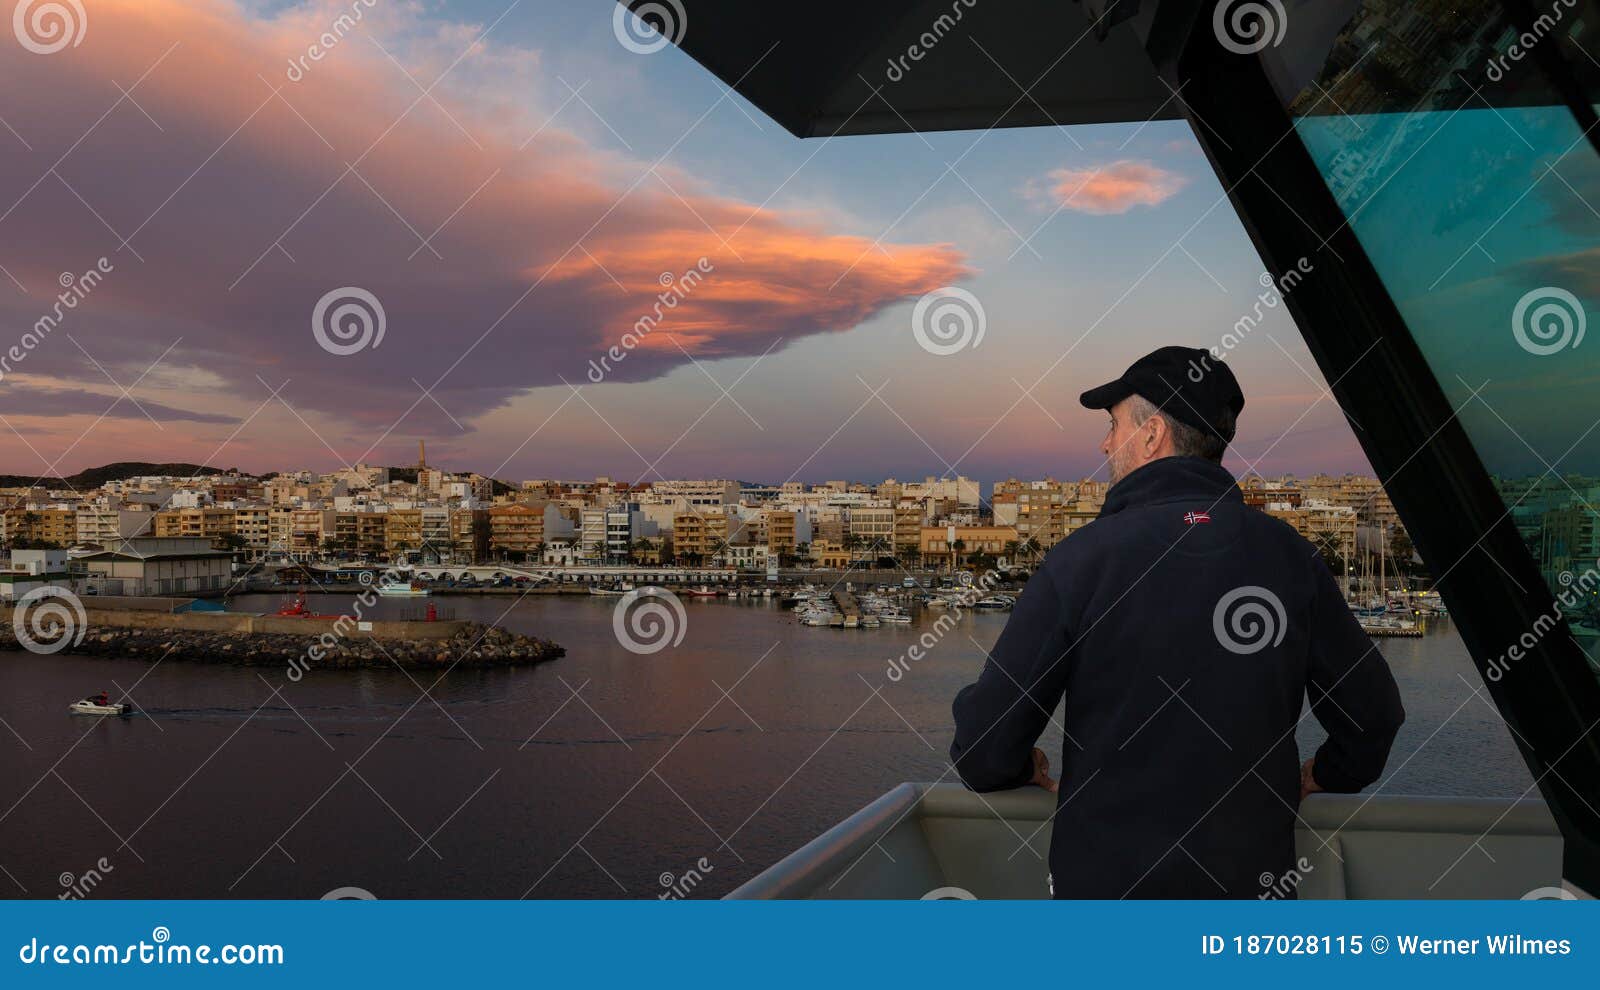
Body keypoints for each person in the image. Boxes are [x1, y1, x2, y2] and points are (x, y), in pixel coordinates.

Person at [950, 346, 1405, 898]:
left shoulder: (1083, 559)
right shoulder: (1289, 557)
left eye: (1114, 426)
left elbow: (982, 750)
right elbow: (1373, 714)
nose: (1105, 444)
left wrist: (1022, 763)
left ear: (1152, 434)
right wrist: (1326, 777)